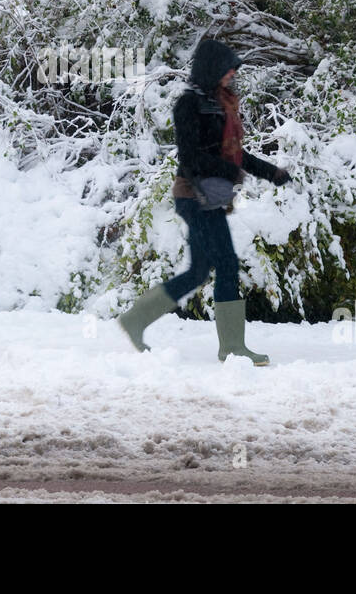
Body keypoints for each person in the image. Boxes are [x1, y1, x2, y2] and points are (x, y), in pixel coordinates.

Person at [118, 39, 291, 365]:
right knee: (226, 265)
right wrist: (228, 170)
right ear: (212, 68)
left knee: (199, 271)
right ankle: (232, 348)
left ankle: (136, 320)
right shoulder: (189, 104)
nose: (231, 76)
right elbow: (191, 157)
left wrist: (272, 173)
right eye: (227, 69)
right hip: (194, 197)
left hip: (208, 199)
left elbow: (238, 156)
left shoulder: (220, 103)